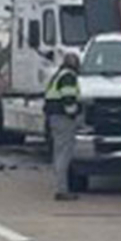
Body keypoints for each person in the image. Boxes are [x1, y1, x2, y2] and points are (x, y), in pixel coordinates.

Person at [44, 52, 82, 201]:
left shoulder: (59, 74)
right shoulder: (68, 77)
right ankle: (62, 190)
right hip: (63, 119)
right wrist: (75, 115)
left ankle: (61, 187)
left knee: (58, 152)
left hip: (55, 117)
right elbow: (69, 100)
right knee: (64, 154)